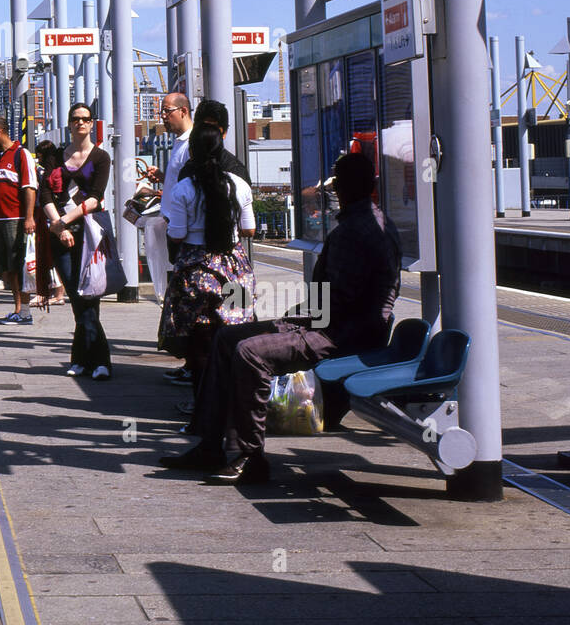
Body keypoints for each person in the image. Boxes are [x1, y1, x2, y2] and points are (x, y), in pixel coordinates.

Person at [161, 151, 402, 483]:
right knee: (227, 336)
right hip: (334, 322)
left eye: (337, 187)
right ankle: (210, 444)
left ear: (344, 189)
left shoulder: (358, 230)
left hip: (341, 334)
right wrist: (298, 317)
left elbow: (341, 298)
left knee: (249, 351)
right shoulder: (366, 222)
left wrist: (297, 321)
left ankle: (249, 455)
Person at [159, 121, 257, 414]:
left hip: (195, 272)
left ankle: (203, 406)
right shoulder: (238, 185)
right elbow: (249, 230)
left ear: (193, 152)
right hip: (236, 269)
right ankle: (232, 402)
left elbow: (176, 234)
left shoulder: (183, 189)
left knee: (199, 343)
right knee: (234, 336)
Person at [38, 103, 113, 378]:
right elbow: (45, 192)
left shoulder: (101, 157)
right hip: (61, 234)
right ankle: (88, 360)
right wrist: (58, 227)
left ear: (91, 124)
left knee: (90, 296)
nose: (80, 123)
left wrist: (63, 221)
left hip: (91, 234)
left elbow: (95, 197)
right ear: (69, 124)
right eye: (75, 119)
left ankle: (94, 360)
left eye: (85, 119)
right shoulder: (56, 157)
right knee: (75, 295)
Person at [144, 91, 195, 384]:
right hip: (174, 228)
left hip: (183, 234)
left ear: (183, 110)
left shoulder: (191, 145)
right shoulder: (178, 144)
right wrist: (163, 178)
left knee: (187, 299)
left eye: (166, 111)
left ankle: (193, 363)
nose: (162, 116)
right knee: (180, 298)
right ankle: (189, 361)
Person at [0, 116, 38, 324]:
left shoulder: (21, 155)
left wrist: (29, 218)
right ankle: (18, 309)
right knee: (8, 269)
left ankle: (25, 312)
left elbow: (29, 187)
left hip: (17, 219)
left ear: (0, 131)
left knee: (20, 266)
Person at [31, 141, 69, 310]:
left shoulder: (46, 171)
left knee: (51, 257)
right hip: (59, 214)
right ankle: (58, 293)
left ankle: (58, 294)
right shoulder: (60, 167)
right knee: (55, 257)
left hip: (49, 216)